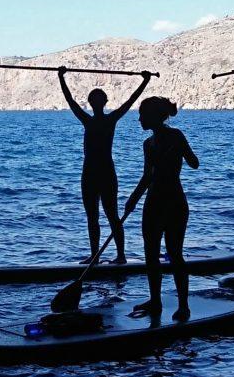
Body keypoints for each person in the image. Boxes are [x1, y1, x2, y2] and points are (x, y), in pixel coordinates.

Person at [58, 67, 152, 264]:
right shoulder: (101, 120)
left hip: (98, 172)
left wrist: (62, 77)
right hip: (97, 173)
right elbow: (71, 102)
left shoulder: (101, 120)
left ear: (96, 103)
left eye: (97, 99)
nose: (96, 103)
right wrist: (145, 81)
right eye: (95, 100)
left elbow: (71, 101)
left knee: (105, 216)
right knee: (103, 216)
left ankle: (114, 256)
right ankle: (103, 255)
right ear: (95, 103)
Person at [124, 97, 199, 321]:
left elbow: (194, 163)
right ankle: (155, 301)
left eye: (142, 115)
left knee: (175, 253)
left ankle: (183, 305)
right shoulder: (148, 144)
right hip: (153, 202)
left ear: (155, 116)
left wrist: (176, 151)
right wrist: (133, 199)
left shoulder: (176, 136)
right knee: (150, 255)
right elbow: (147, 176)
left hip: (174, 201)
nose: (139, 119)